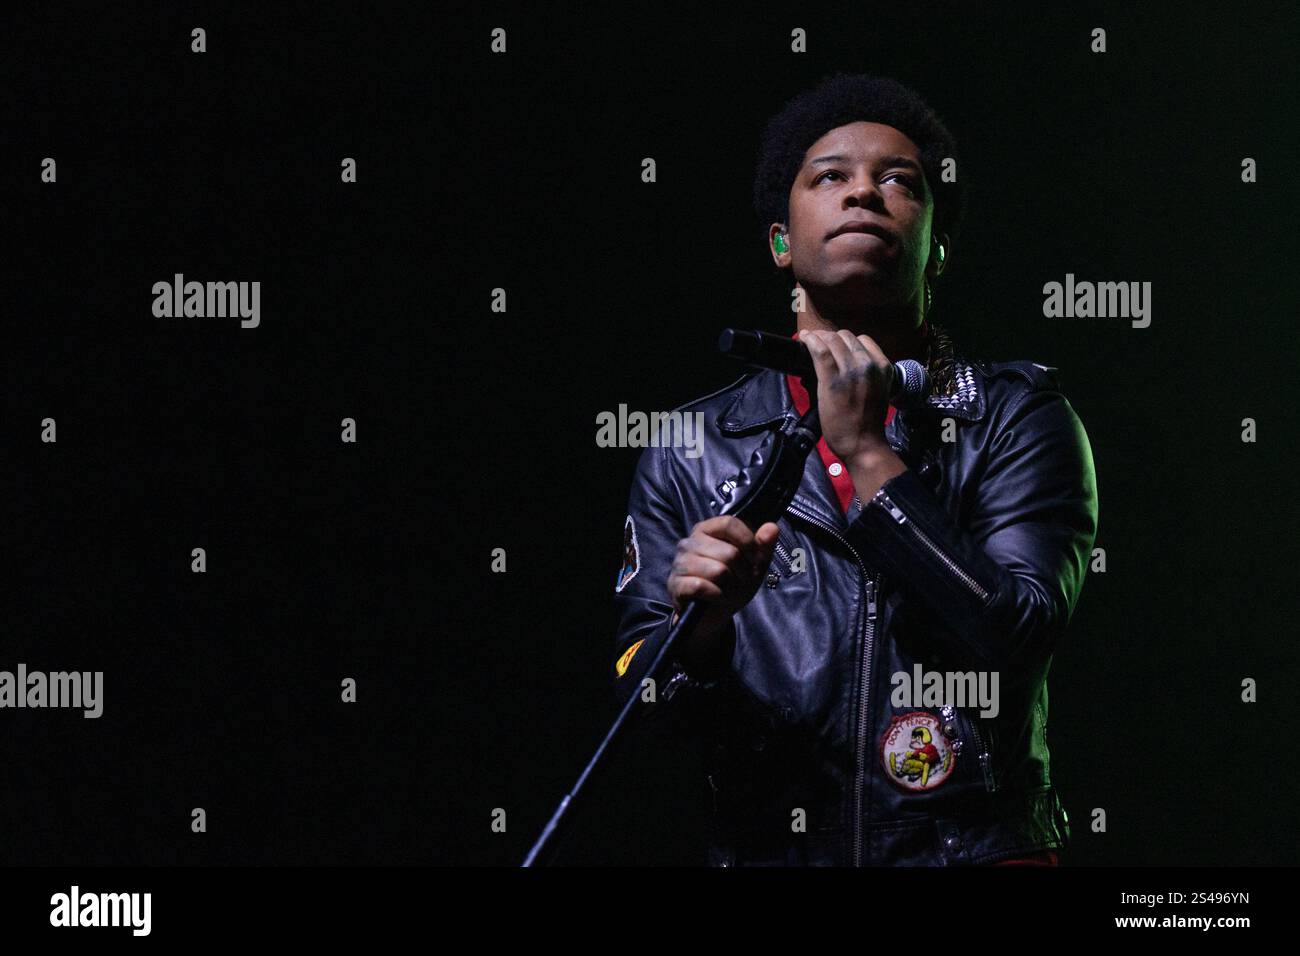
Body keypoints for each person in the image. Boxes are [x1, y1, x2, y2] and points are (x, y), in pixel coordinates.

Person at [610, 73, 1098, 866]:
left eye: (900, 180)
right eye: (830, 175)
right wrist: (699, 631)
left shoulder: (1015, 416)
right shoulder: (691, 444)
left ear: (938, 246)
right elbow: (643, 712)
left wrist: (871, 456)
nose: (864, 191)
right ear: (780, 241)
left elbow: (1016, 633)